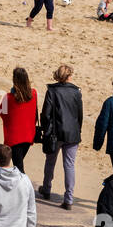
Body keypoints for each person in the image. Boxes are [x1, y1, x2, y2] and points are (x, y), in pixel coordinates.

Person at [39, 63, 83, 208]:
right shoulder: (76, 92)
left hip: (55, 133)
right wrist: (78, 129)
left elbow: (46, 113)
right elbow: (79, 114)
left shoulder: (52, 91)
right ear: (69, 76)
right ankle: (69, 198)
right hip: (72, 133)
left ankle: (46, 188)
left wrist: (46, 130)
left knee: (50, 161)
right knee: (69, 165)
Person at [0, 67, 37, 175]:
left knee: (19, 168)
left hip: (14, 138)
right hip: (28, 136)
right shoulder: (33, 94)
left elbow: (2, 112)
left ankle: (24, 190)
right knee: (18, 165)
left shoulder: (9, 97)